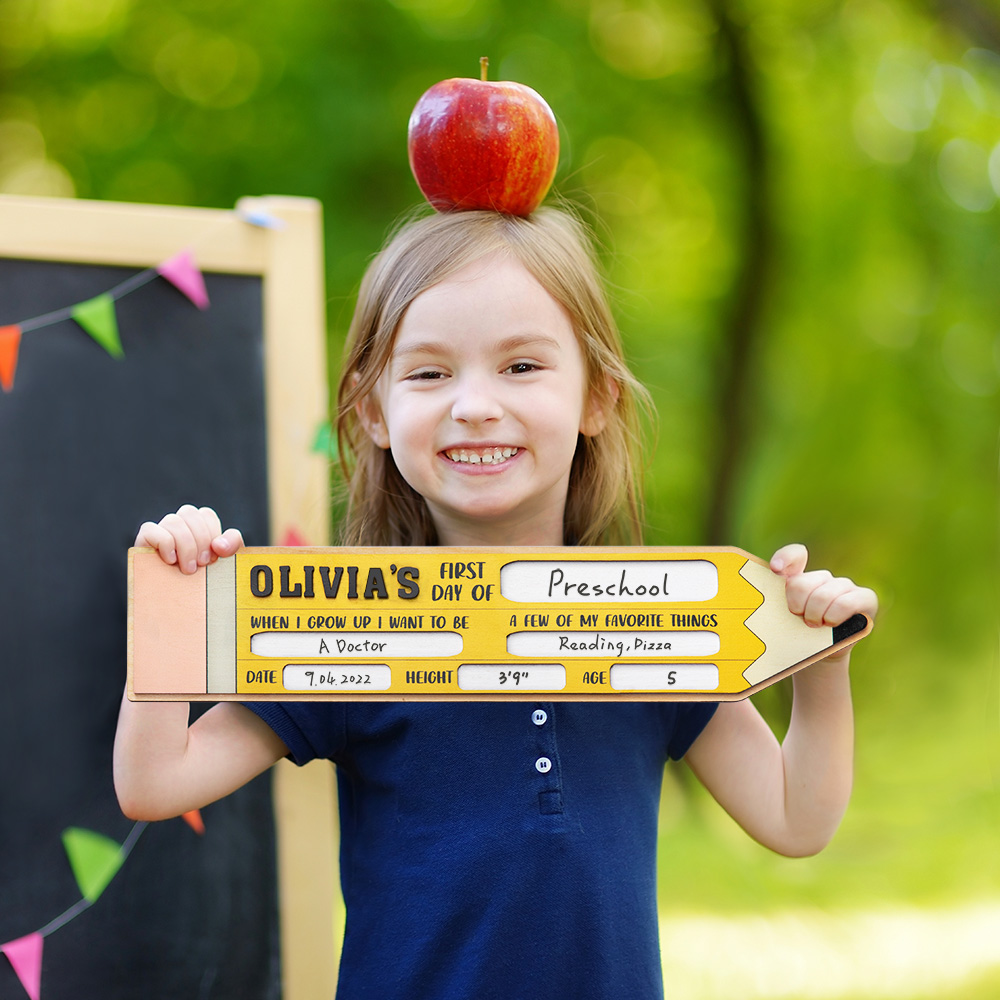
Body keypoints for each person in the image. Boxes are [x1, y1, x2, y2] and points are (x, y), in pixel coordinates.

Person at [114, 207, 877, 1000]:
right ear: (374, 412)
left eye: (521, 367)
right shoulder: (343, 625)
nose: (475, 405)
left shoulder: (659, 623)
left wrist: (823, 665)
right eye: (429, 372)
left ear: (598, 400)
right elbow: (155, 784)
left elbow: (796, 819)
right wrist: (175, 617)